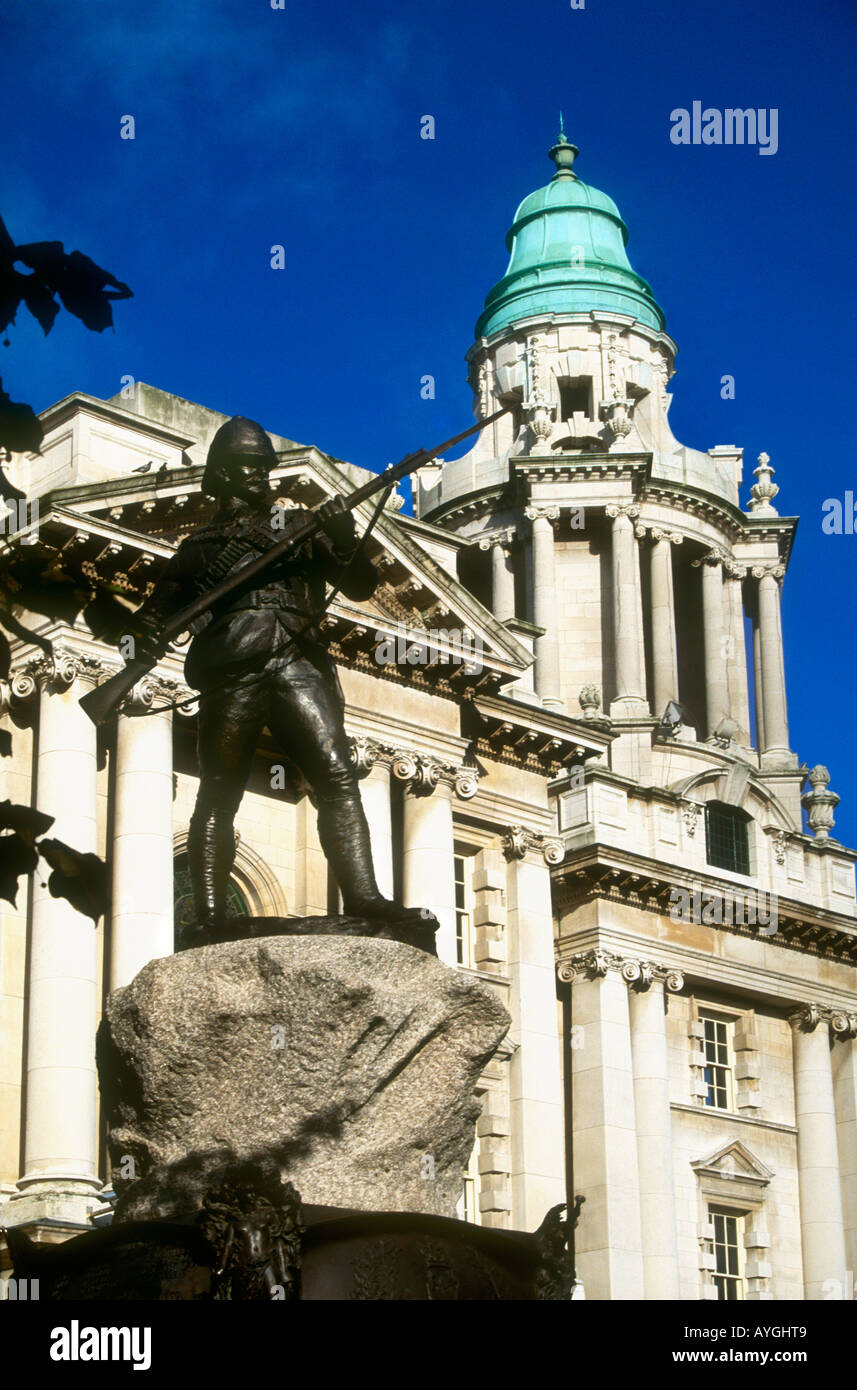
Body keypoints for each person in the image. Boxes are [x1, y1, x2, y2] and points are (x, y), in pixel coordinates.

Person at [134, 415, 429, 945]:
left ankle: (364, 897)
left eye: (264, 469)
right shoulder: (197, 549)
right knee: (220, 790)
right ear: (221, 474)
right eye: (247, 468)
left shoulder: (298, 528)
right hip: (232, 667)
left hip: (298, 660)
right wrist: (144, 637)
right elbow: (149, 620)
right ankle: (207, 911)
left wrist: (343, 536)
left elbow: (361, 584)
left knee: (336, 775)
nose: (259, 478)